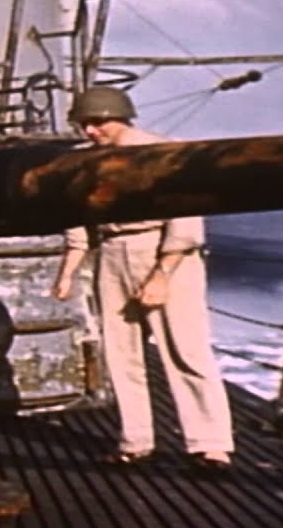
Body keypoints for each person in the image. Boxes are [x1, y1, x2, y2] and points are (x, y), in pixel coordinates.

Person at [50, 87, 234, 471]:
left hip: (166, 251)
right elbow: (77, 219)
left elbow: (186, 219)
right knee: (121, 354)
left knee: (186, 351)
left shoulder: (161, 153)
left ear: (122, 117)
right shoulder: (85, 161)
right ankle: (135, 441)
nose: (90, 131)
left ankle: (210, 444)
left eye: (98, 122)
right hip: (113, 252)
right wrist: (68, 271)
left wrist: (161, 276)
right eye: (85, 124)